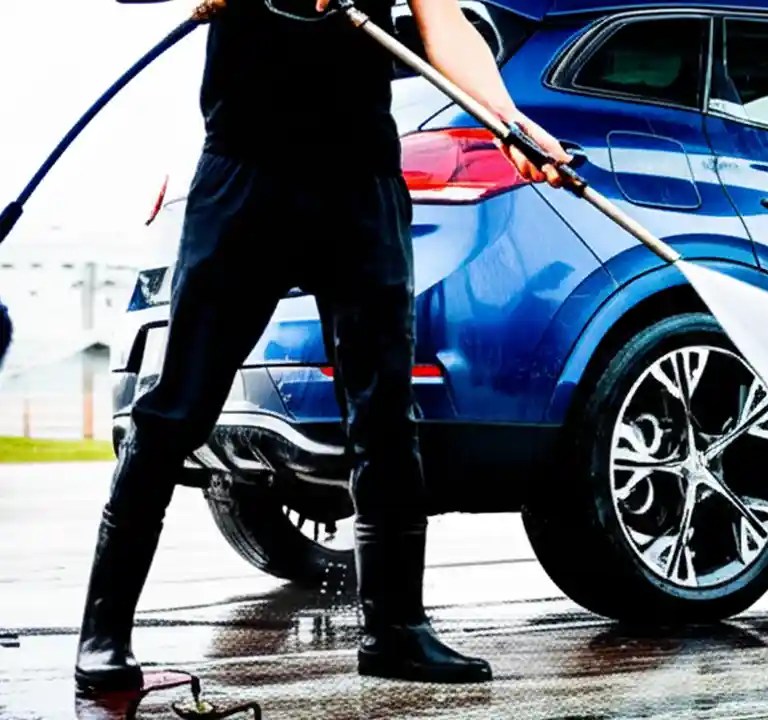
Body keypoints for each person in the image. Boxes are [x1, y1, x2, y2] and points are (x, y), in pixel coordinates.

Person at [75, 0, 569, 694]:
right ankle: (104, 636)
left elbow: (444, 24)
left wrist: (509, 123)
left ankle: (396, 631)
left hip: (361, 183)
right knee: (178, 408)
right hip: (247, 173)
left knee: (386, 418)